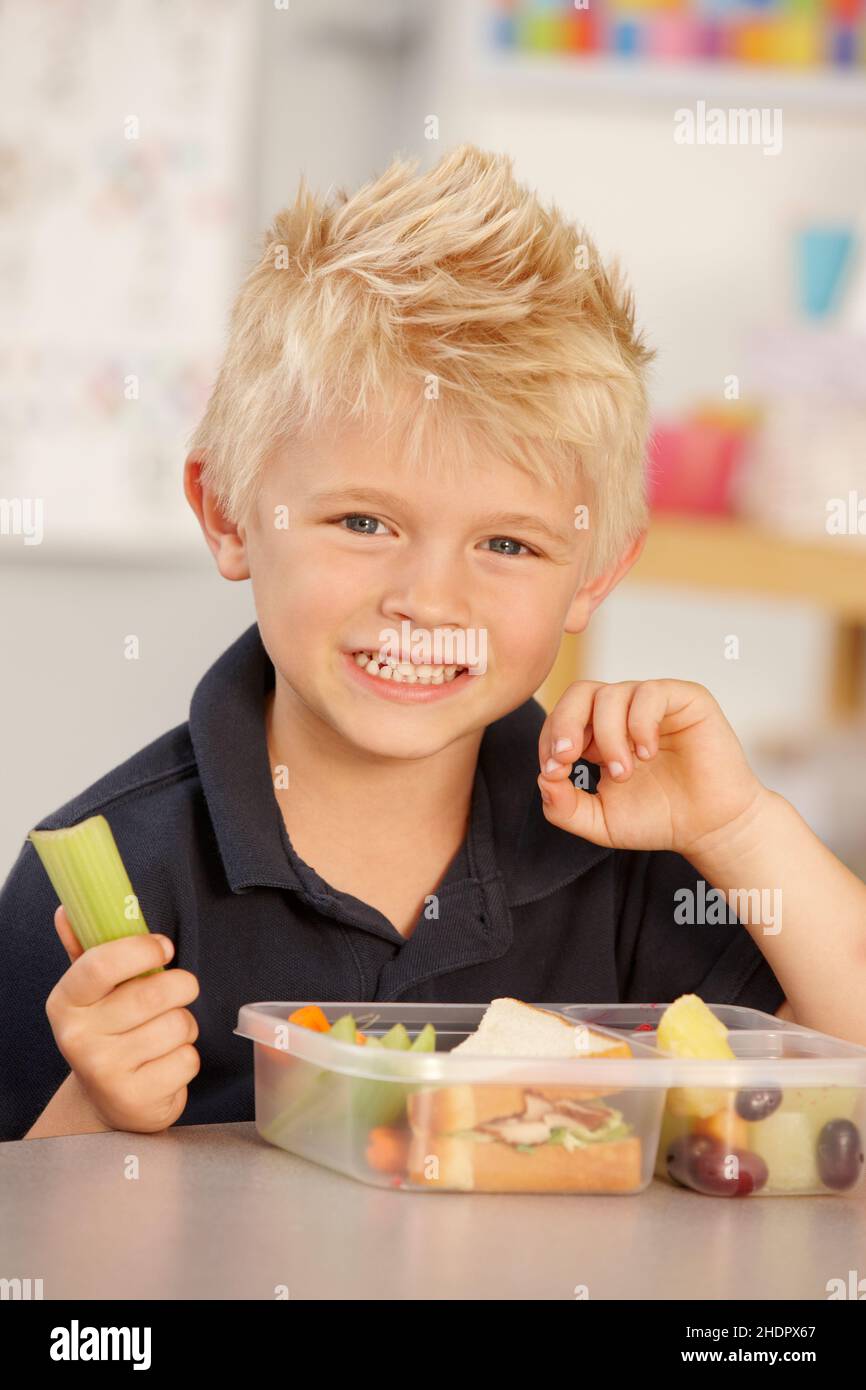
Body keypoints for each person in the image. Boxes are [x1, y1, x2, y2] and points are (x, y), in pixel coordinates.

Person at [4, 145, 863, 1144]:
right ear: (230, 513)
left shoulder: (629, 866)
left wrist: (737, 828)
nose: (427, 598)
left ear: (593, 573)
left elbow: (830, 1090)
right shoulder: (111, 874)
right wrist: (95, 1106)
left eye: (506, 543)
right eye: (363, 523)